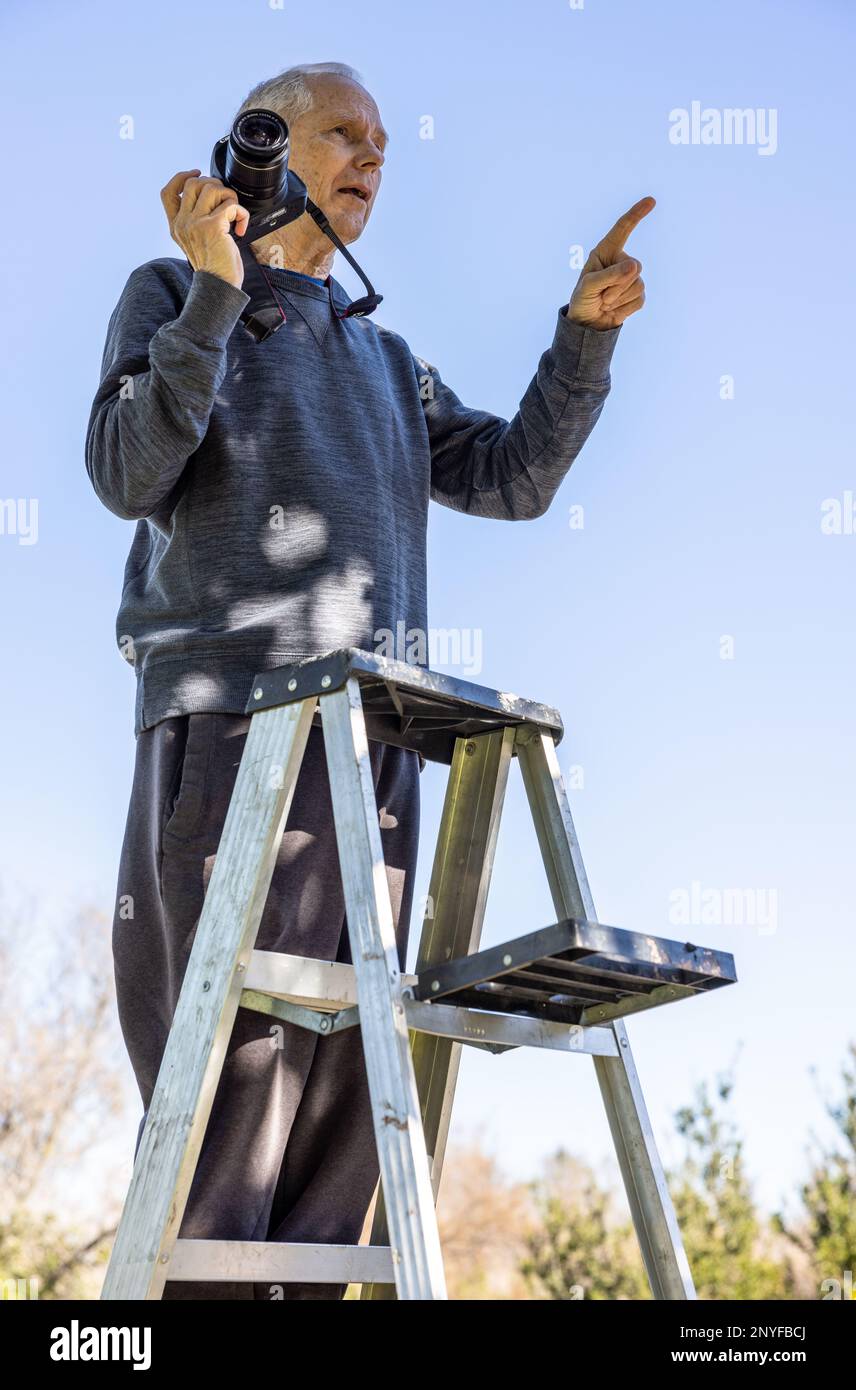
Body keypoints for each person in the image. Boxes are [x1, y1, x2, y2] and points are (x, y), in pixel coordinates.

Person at [85, 60, 653, 1300]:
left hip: (373, 746)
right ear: (271, 147)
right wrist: (217, 296)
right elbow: (129, 469)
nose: (372, 157)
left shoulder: (388, 358)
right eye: (345, 133)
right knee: (230, 1103)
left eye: (385, 145)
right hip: (235, 733)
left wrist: (584, 339)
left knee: (351, 1107)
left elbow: (511, 475)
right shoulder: (174, 293)